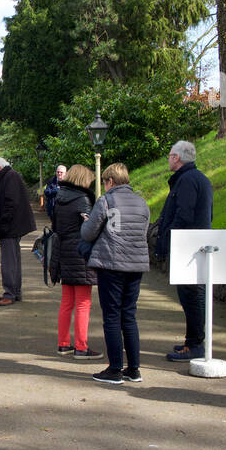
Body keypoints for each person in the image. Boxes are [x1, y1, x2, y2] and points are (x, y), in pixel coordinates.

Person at [80, 162, 150, 384]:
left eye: (105, 182)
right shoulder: (142, 203)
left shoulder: (106, 200)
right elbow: (143, 231)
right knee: (129, 315)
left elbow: (89, 233)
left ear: (110, 181)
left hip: (111, 264)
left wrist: (88, 222)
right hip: (136, 265)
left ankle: (115, 368)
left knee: (111, 316)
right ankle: (134, 368)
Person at [153, 140, 214, 361]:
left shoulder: (187, 181)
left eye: (170, 155)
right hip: (194, 244)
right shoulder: (197, 179)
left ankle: (196, 344)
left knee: (191, 296)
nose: (168, 159)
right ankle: (192, 341)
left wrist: (169, 238)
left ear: (177, 158)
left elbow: (184, 215)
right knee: (191, 295)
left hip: (188, 246)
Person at [50, 164, 101, 359]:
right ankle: (81, 346)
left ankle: (63, 344)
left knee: (66, 302)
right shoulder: (83, 199)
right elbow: (89, 228)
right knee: (83, 303)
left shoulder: (60, 198)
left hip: (63, 253)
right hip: (80, 254)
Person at [0, 157, 36, 306]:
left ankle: (10, 293)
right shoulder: (10, 176)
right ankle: (15, 292)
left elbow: (11, 203)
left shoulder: (9, 177)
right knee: (13, 260)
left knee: (8, 262)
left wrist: (2, 225)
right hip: (12, 227)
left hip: (10, 228)